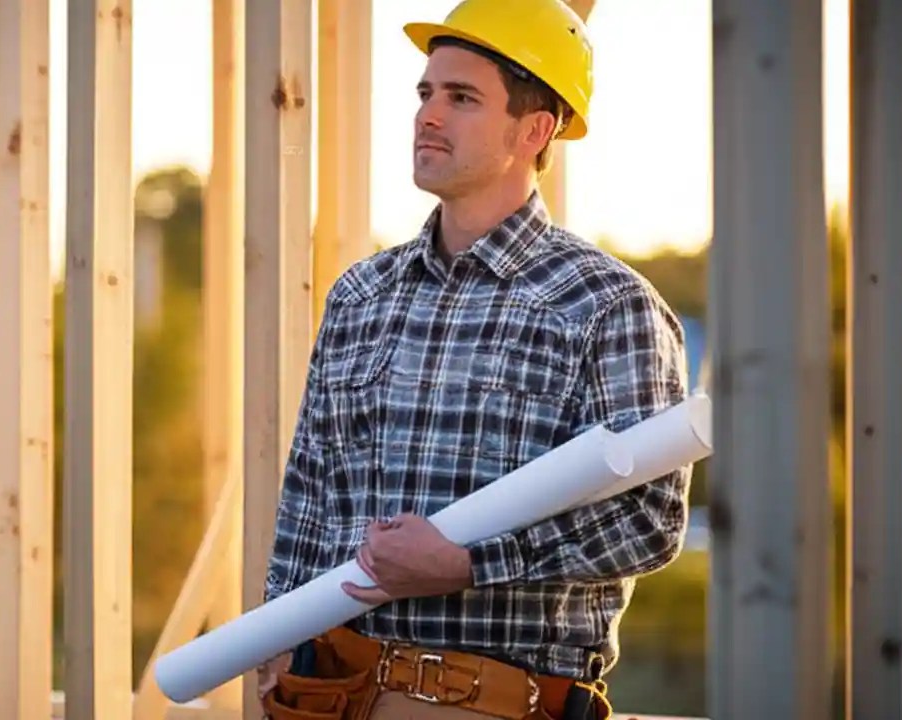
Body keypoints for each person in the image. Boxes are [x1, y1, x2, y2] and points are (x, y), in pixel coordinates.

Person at [257, 1, 693, 718]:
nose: (428, 115)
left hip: (498, 703)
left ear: (535, 130)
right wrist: (275, 633)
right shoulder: (361, 296)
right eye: (426, 92)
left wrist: (467, 564)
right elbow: (310, 491)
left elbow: (649, 520)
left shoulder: (607, 307)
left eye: (462, 98)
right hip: (335, 696)